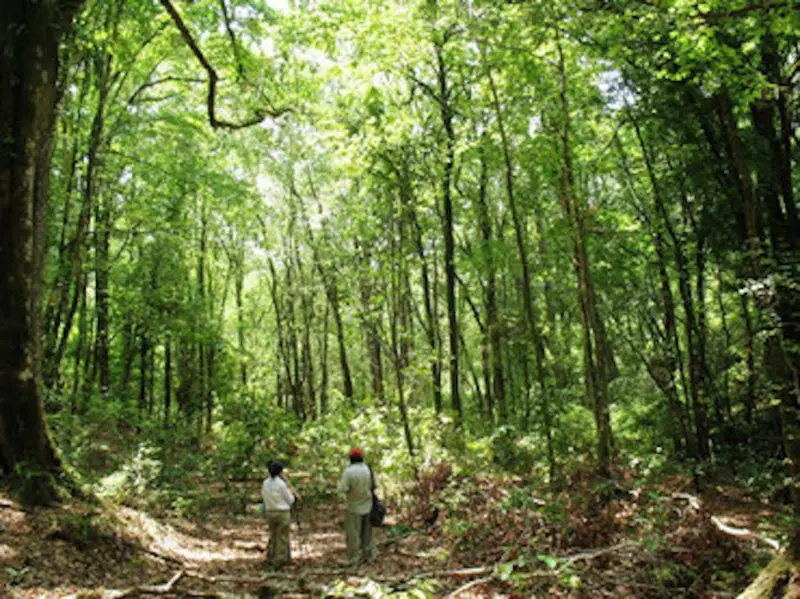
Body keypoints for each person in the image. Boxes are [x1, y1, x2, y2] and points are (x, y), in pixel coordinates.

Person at [336, 448, 377, 566]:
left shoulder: (349, 472)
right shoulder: (368, 470)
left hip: (353, 506)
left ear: (350, 459)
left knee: (353, 534)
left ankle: (354, 559)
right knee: (367, 533)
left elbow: (343, 488)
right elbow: (375, 486)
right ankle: (370, 556)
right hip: (368, 504)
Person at [261, 460, 299, 568]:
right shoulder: (281, 484)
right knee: (282, 536)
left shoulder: (265, 483)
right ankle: (280, 560)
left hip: (270, 511)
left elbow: (263, 496)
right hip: (282, 512)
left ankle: (271, 556)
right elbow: (290, 499)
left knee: (273, 535)